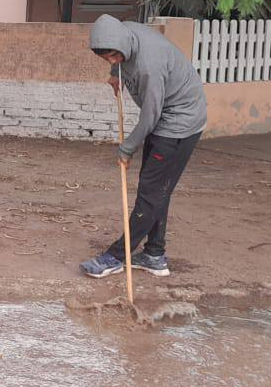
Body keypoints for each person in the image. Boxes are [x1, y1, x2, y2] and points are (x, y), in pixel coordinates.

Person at [80, 15, 207, 279]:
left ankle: (116, 257)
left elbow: (150, 116)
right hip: (168, 120)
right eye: (107, 58)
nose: (113, 61)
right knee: (157, 190)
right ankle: (154, 255)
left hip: (178, 125)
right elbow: (120, 59)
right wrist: (115, 74)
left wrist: (127, 148)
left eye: (115, 57)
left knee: (151, 193)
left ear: (123, 46)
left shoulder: (149, 66)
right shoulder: (126, 35)